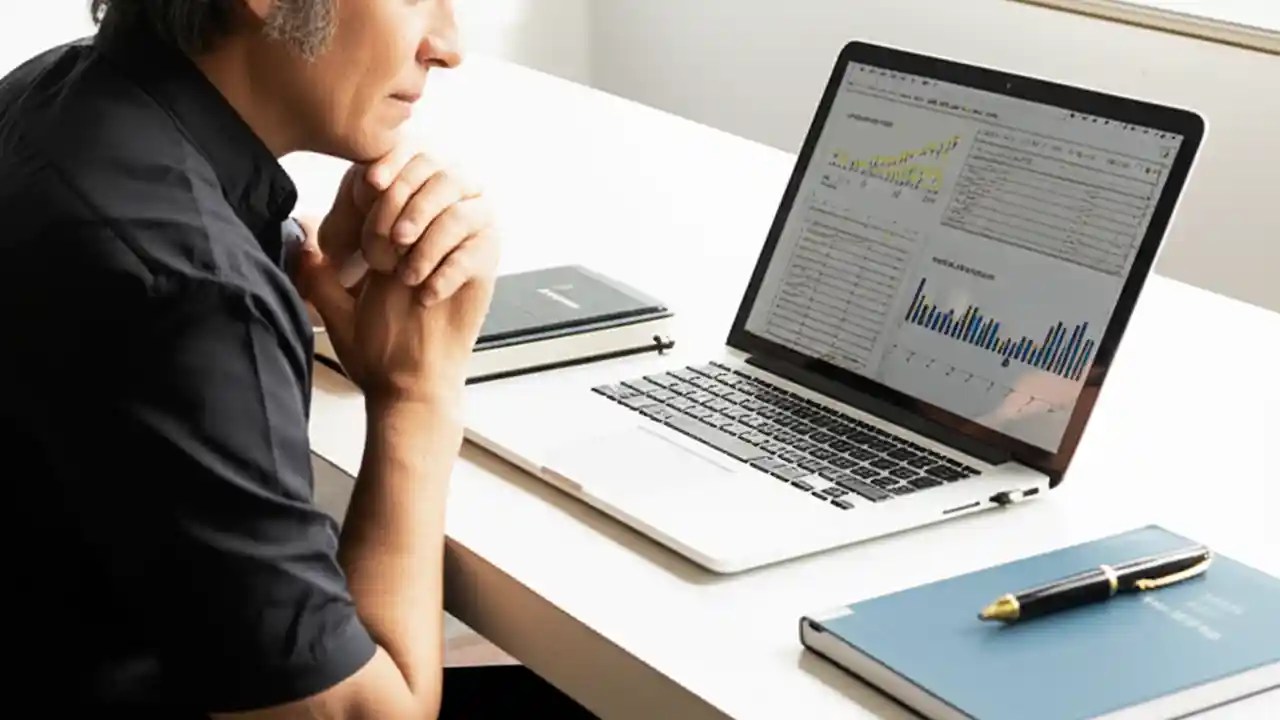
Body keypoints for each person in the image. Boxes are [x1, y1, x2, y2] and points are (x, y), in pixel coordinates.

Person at [0, 0, 595, 717]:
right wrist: (419, 396)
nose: (447, 45)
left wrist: (303, 265)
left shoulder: (55, 92)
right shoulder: (190, 293)